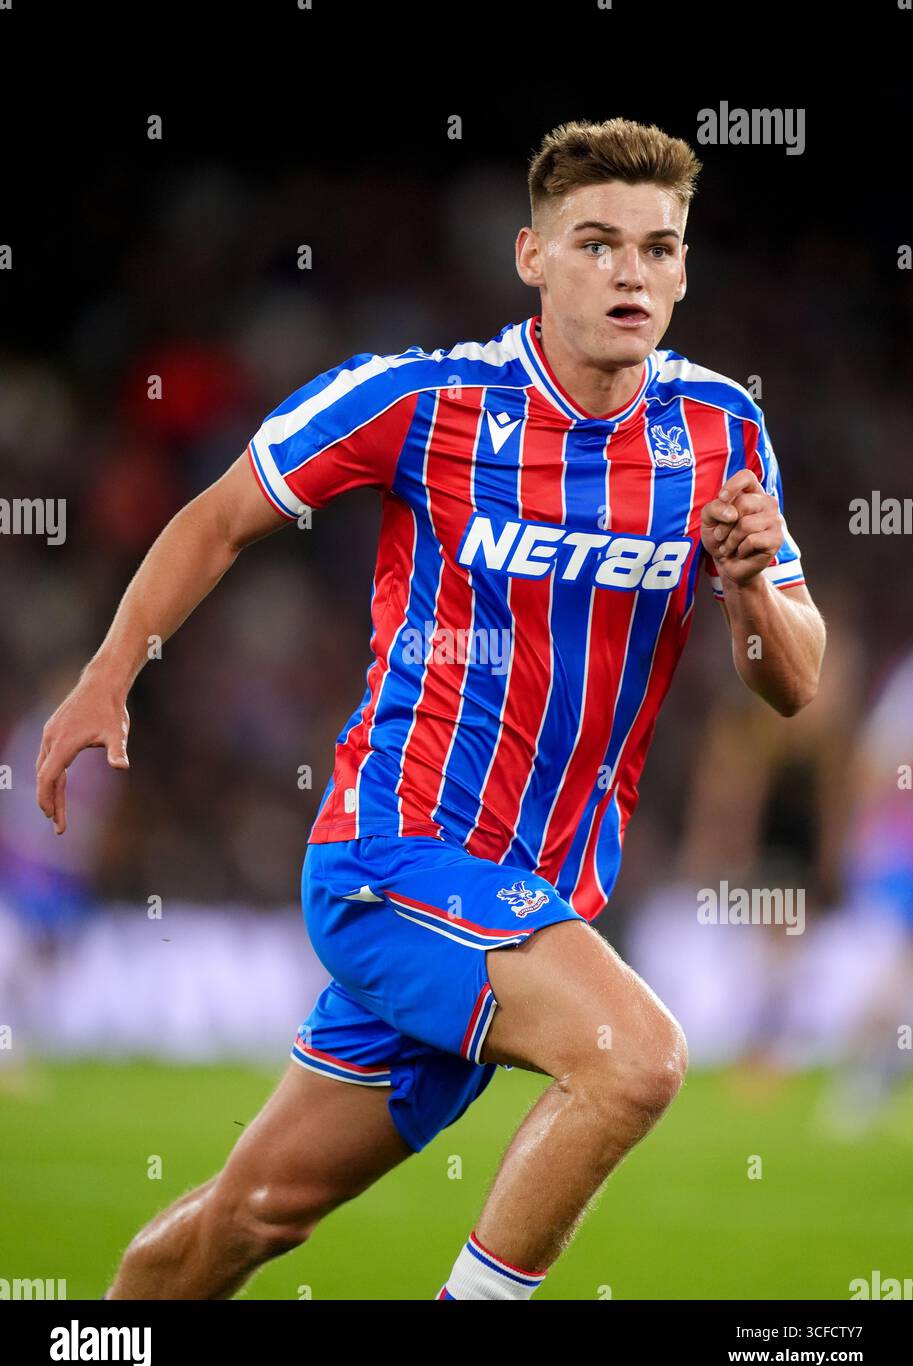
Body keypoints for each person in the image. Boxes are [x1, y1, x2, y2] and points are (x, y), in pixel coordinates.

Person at [36, 117, 825, 1300]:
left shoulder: (719, 431)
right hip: (392, 854)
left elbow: (793, 682)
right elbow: (218, 517)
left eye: (658, 249)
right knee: (636, 1059)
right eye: (597, 243)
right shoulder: (423, 400)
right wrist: (107, 674)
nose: (630, 273)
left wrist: (750, 582)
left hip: (534, 892)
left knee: (247, 1221)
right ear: (530, 256)